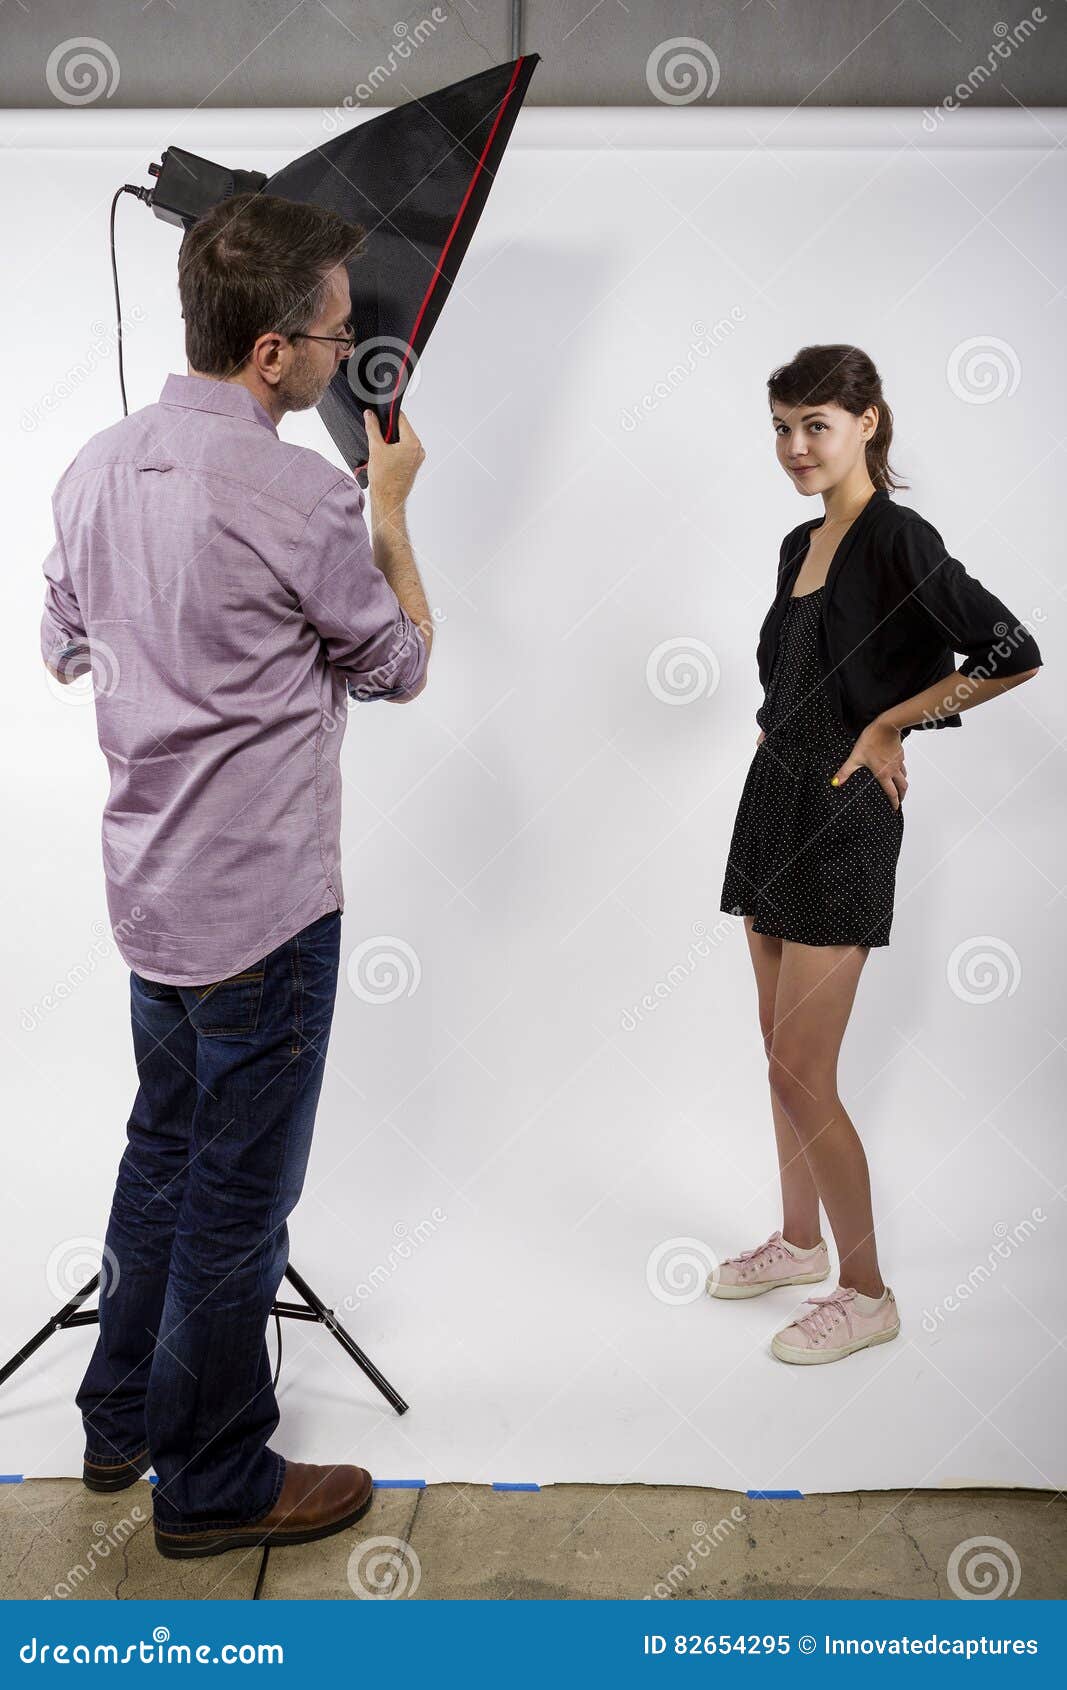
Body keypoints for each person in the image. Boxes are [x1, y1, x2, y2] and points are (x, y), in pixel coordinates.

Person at [39, 193, 433, 1556]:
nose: (345, 353)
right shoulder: (305, 495)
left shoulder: (91, 468)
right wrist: (387, 512)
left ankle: (117, 1417)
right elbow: (400, 663)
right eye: (330, 330)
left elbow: (61, 639)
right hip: (265, 912)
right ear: (269, 351)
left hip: (149, 897)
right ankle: (211, 1483)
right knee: (234, 1200)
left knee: (161, 1153)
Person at [713, 344, 1043, 1365]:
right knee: (777, 1060)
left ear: (866, 422)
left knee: (806, 1068)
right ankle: (799, 1242)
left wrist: (892, 724)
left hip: (847, 808)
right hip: (774, 796)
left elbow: (1008, 649)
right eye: (779, 425)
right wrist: (779, 732)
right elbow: (795, 672)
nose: (794, 446)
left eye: (814, 423)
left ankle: (865, 1293)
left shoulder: (898, 535)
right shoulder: (793, 543)